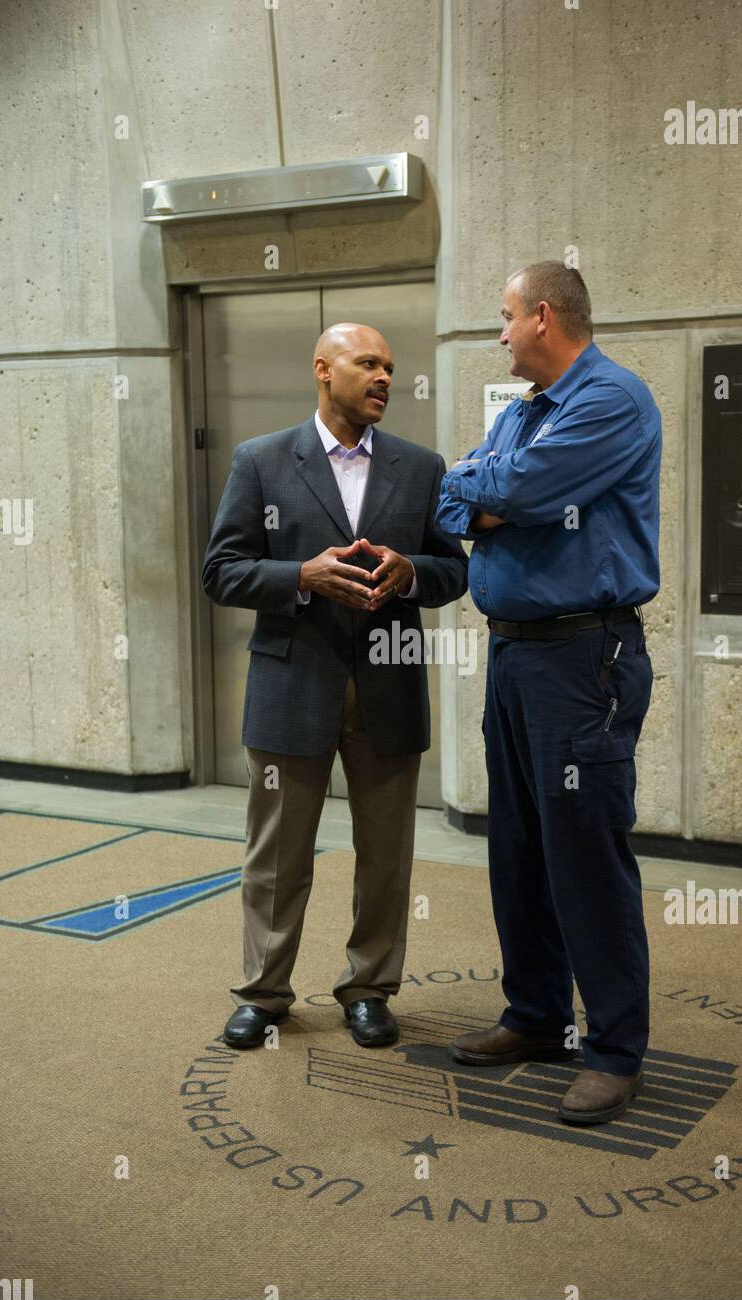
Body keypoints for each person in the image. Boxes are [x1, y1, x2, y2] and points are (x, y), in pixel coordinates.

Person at [435, 263, 661, 1125]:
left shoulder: (612, 399)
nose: (497, 335)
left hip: (582, 658)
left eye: (502, 318)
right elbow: (461, 501)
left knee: (584, 854)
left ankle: (612, 1050)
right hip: (514, 658)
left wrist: (485, 494)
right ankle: (534, 1018)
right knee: (519, 848)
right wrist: (477, 495)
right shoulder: (524, 412)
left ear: (540, 316)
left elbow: (514, 491)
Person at [203, 323, 468, 1050]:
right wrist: (300, 577)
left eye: (389, 366)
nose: (384, 376)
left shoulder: (421, 468)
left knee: (385, 858)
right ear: (323, 369)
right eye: (368, 363)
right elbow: (220, 570)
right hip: (292, 688)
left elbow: (456, 570)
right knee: (276, 856)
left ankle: (368, 989)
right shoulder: (261, 460)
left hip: (388, 685)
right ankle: (263, 992)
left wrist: (412, 571)